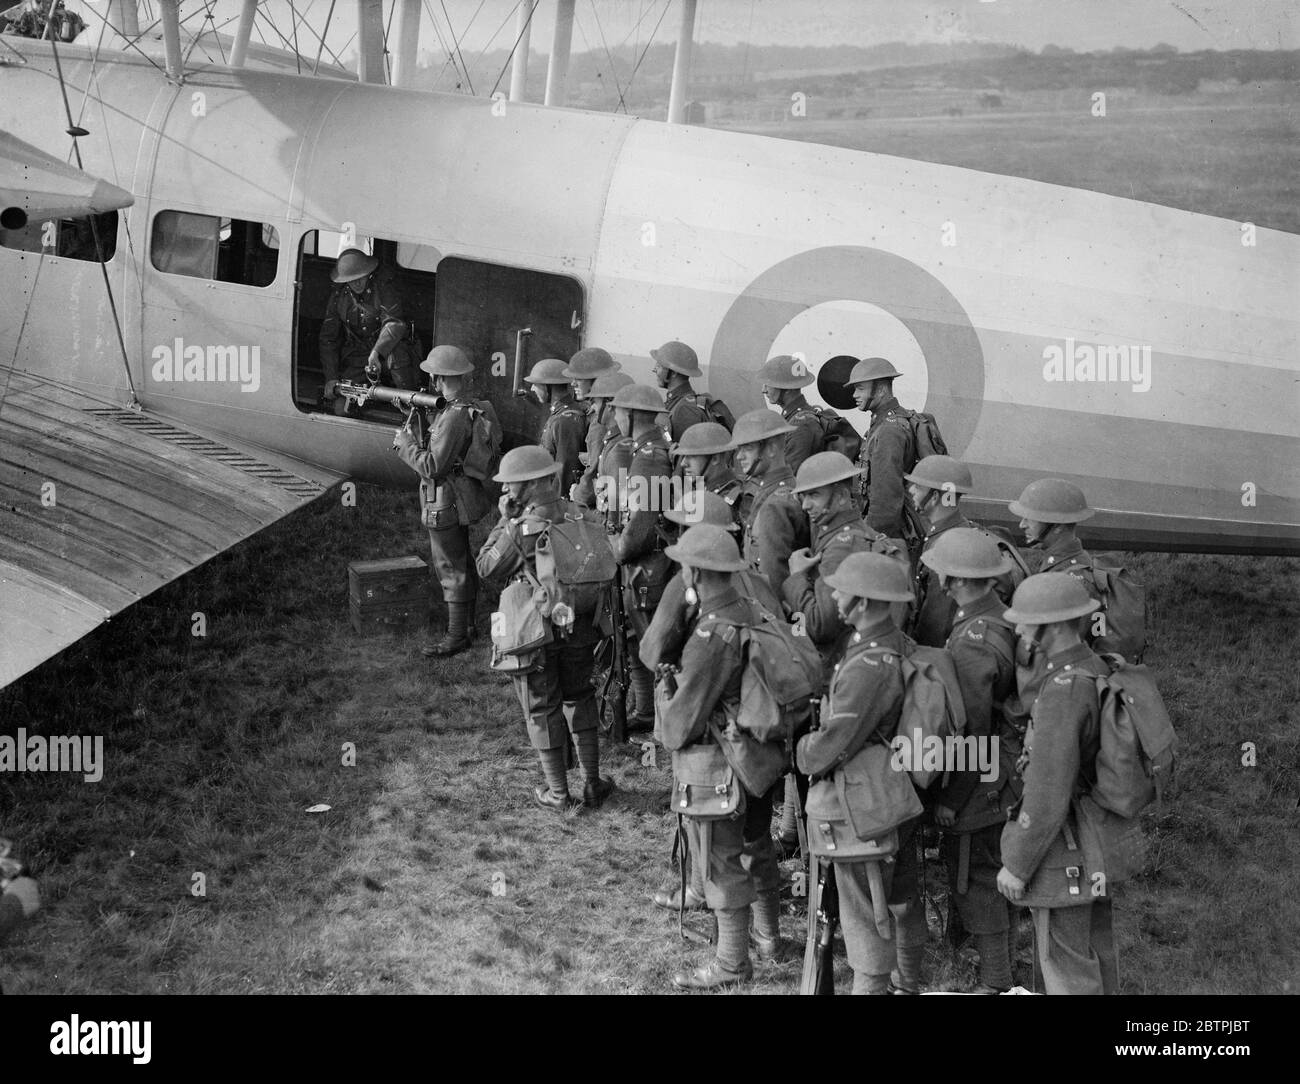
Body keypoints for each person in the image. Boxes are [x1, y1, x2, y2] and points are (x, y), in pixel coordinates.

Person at [653, 525, 786, 988]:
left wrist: (667, 693)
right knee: (756, 847)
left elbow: (677, 729)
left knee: (721, 865)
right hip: (760, 763)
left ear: (694, 571)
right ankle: (767, 939)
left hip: (723, 769)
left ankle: (731, 965)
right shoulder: (752, 611)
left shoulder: (711, 634)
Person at [795, 551, 927, 994]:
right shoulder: (888, 643)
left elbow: (836, 740)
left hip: (862, 804)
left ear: (865, 602)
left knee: (862, 912)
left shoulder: (869, 665)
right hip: (892, 793)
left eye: (841, 590)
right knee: (895, 901)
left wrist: (803, 751)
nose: (833, 595)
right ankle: (908, 984)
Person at [476, 446, 614, 812]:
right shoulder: (583, 516)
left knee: (541, 708)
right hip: (582, 626)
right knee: (580, 698)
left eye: (512, 485)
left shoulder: (521, 529)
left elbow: (486, 568)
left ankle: (557, 793)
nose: (507, 491)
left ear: (529, 486)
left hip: (538, 634)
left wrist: (503, 521)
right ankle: (592, 784)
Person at [997, 573, 1116, 994]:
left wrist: (1018, 863)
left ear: (1056, 625)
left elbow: (1047, 793)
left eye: (1028, 621)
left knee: (1065, 970)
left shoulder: (1062, 690)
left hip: (1064, 850)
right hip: (1096, 842)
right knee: (1093, 956)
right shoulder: (1091, 665)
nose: (1020, 629)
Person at [919, 529, 1022, 993]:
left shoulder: (972, 641)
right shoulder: (1001, 616)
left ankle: (996, 979)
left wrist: (953, 798)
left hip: (985, 773)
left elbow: (972, 731)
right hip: (1004, 765)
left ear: (955, 579)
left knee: (974, 874)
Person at [393, 345, 499, 657]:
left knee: (449, 566)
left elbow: (433, 466)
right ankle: (466, 627)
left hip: (444, 500)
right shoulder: (464, 407)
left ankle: (456, 636)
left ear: (439, 378)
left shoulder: (453, 417)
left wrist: (405, 445)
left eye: (434, 377)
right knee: (461, 561)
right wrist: (413, 421)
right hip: (458, 497)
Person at [608, 383, 673, 732]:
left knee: (653, 644)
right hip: (649, 569)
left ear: (630, 415)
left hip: (648, 569)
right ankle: (648, 713)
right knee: (638, 641)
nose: (614, 416)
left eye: (617, 410)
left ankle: (664, 723)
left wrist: (617, 546)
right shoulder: (647, 450)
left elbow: (641, 526)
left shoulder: (648, 458)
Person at [319, 248, 417, 414]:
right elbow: (328, 339)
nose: (357, 283)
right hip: (358, 357)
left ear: (368, 274)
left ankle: (410, 408)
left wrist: (377, 353)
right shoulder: (339, 297)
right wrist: (331, 377)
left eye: (360, 278)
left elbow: (394, 323)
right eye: (351, 280)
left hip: (388, 355)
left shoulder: (384, 289)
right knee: (341, 409)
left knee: (397, 356)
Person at [728, 408, 810, 598]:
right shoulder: (771, 491)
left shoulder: (777, 503)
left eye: (747, 448)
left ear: (772, 449)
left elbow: (774, 580)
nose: (739, 456)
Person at [905, 455, 977, 647]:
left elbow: (937, 624)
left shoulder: (947, 546)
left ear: (935, 497)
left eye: (918, 487)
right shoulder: (953, 532)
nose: (911, 490)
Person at [845, 356, 920, 538]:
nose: (855, 395)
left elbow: (886, 503)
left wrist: (871, 541)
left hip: (890, 535)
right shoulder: (887, 422)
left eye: (860, 389)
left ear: (880, 390)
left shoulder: (888, 430)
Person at [650, 340, 735, 442]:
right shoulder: (682, 403)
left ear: (674, 373)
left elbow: (685, 454)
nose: (654, 370)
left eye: (659, 366)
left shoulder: (686, 410)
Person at [524, 358, 586, 495]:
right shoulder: (559, 415)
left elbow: (565, 472)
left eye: (536, 384)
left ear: (548, 386)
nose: (532, 389)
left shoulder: (565, 420)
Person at [570, 358, 626, 508]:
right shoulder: (596, 414)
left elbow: (594, 469)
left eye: (579, 379)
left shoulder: (600, 422)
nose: (573, 383)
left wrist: (578, 495)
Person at [758, 354, 824, 475]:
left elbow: (790, 476)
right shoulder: (792, 419)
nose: (764, 390)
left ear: (787, 388)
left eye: (768, 384)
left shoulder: (801, 424)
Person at [669, 422, 743, 527]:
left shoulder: (726, 500)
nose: (683, 463)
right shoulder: (706, 489)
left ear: (715, 458)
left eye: (692, 456)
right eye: (684, 456)